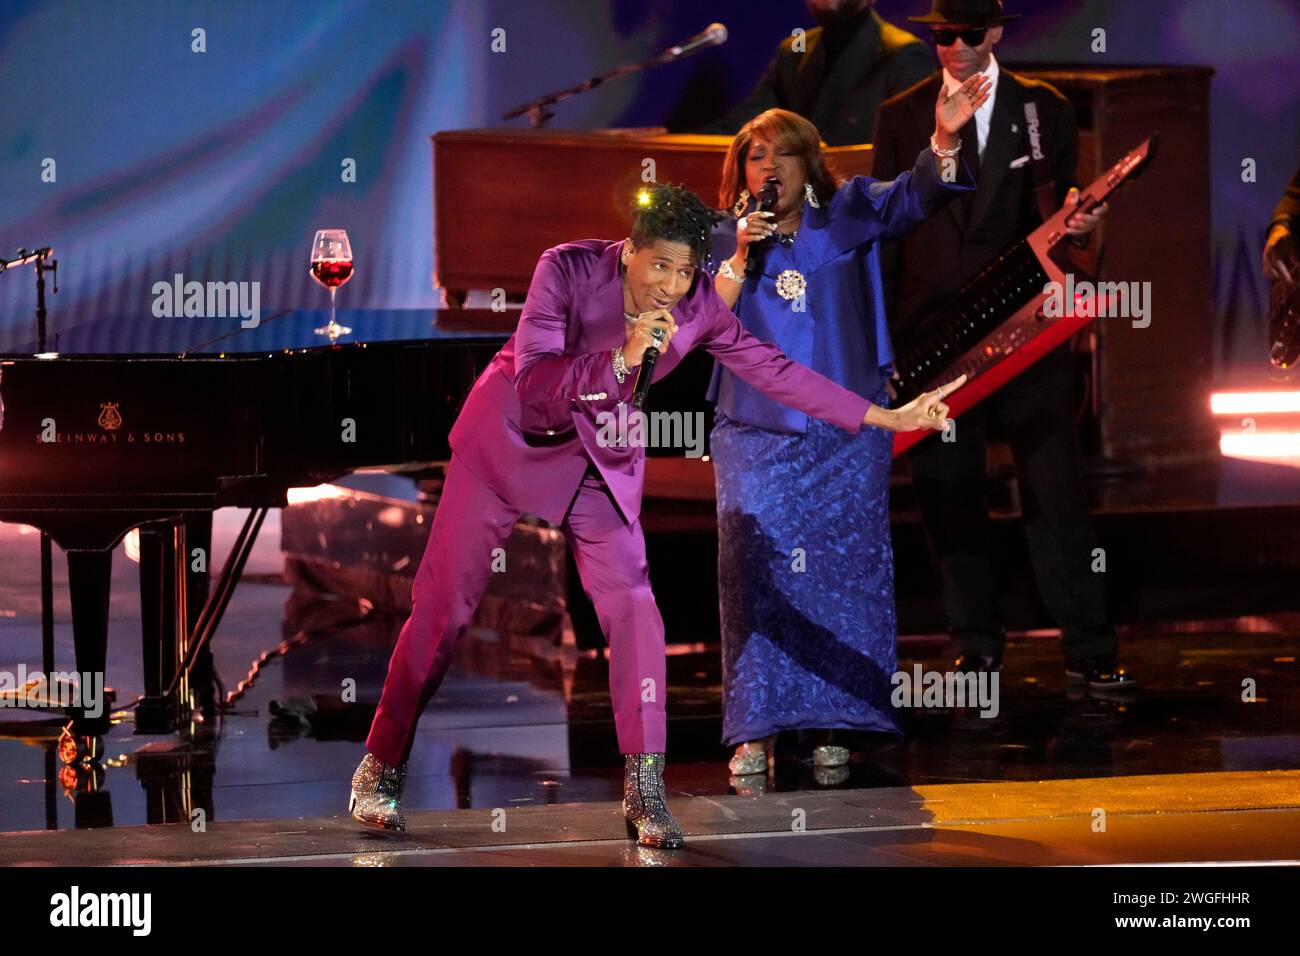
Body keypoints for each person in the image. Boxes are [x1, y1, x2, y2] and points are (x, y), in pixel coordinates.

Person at [349, 182, 963, 849]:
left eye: (685, 270)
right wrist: (617, 358)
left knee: (636, 609)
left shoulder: (701, 305)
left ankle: (644, 791)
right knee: (442, 613)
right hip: (509, 447)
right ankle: (380, 763)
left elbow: (776, 369)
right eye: (658, 266)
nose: (670, 285)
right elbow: (531, 389)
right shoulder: (567, 267)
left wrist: (884, 417)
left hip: (599, 460)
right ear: (629, 252)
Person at [706, 74, 986, 779]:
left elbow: (919, 194)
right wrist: (740, 250)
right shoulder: (721, 238)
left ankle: (835, 719)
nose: (768, 170)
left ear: (811, 165)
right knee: (755, 576)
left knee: (842, 575)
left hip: (848, 432)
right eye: (756, 157)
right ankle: (759, 729)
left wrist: (945, 139)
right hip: (755, 431)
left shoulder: (852, 211)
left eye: (784, 156)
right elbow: (696, 318)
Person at [871, 0, 1132, 693]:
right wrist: (881, 349)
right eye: (942, 35)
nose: (955, 46)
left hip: (1026, 333)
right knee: (950, 494)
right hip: (934, 341)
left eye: (970, 33)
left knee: (1056, 491)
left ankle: (1088, 648)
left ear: (997, 33)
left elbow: (1057, 220)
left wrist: (1080, 226)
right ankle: (976, 647)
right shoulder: (899, 118)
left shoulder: (1043, 109)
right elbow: (888, 236)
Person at [696, 0, 933, 146]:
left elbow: (914, 150)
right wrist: (673, 140)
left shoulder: (904, 54)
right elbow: (749, 120)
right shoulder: (793, 51)